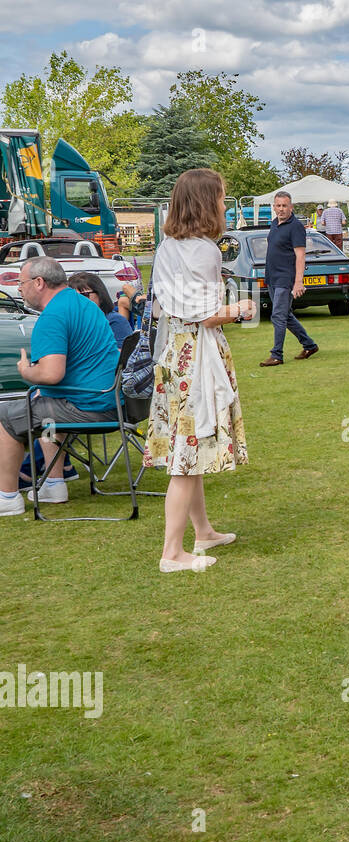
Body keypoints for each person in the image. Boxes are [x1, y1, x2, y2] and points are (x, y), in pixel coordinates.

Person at [144, 168, 251, 573]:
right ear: (207, 203)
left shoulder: (168, 245)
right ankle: (172, 552)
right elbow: (206, 315)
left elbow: (173, 308)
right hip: (196, 358)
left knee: (190, 447)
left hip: (174, 355)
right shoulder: (205, 251)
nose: (224, 204)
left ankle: (203, 530)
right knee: (187, 454)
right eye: (221, 198)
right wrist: (240, 309)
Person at [0, 257, 118, 514]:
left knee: (6, 418)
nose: (19, 289)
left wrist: (26, 371)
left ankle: (7, 497)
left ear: (39, 282)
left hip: (88, 407)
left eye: (21, 283)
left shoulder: (52, 316)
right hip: (110, 402)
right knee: (44, 407)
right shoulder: (83, 304)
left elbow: (52, 373)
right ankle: (54, 483)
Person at [259, 191, 320, 367]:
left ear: (291, 207)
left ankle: (276, 354)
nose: (281, 209)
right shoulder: (274, 224)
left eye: (284, 205)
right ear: (274, 207)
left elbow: (300, 256)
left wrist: (298, 281)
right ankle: (309, 345)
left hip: (286, 278)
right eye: (278, 206)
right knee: (286, 315)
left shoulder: (296, 227)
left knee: (278, 315)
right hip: (272, 276)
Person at [68, 271, 132, 347]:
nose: (79, 300)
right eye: (73, 297)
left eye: (84, 295)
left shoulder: (114, 321)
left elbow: (122, 354)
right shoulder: (71, 322)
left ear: (99, 294)